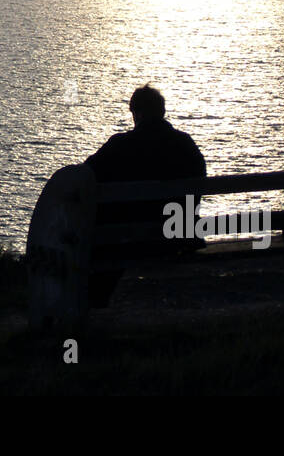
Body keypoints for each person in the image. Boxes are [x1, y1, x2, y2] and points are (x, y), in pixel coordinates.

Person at [84, 84, 207, 307]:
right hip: (180, 236)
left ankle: (94, 306)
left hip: (129, 240)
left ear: (137, 113)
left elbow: (84, 175)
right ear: (162, 112)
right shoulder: (186, 144)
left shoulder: (120, 146)